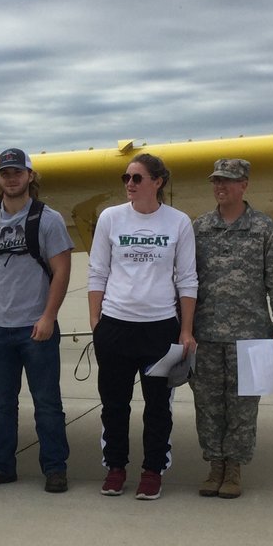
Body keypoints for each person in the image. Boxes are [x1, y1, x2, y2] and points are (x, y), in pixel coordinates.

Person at [0, 148, 74, 493]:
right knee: (0, 404)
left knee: (48, 403)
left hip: (35, 327)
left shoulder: (48, 219)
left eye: (18, 172)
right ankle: (0, 465)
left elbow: (62, 269)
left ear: (30, 176)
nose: (12, 178)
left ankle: (55, 468)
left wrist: (49, 317)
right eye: (5, 173)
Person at [87, 153, 198, 500]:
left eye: (137, 178)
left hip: (160, 328)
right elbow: (97, 271)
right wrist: (96, 321)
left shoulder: (178, 222)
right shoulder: (110, 218)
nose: (130, 185)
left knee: (158, 405)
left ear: (158, 182)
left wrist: (186, 330)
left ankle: (152, 470)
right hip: (116, 325)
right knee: (114, 404)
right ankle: (115, 467)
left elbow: (188, 279)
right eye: (126, 178)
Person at [192, 158, 273, 498]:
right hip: (205, 334)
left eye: (228, 180)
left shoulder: (265, 229)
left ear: (244, 185)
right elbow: (183, 281)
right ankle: (214, 465)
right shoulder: (199, 228)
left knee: (242, 407)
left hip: (250, 336)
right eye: (216, 181)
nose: (220, 187)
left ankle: (234, 468)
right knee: (208, 405)